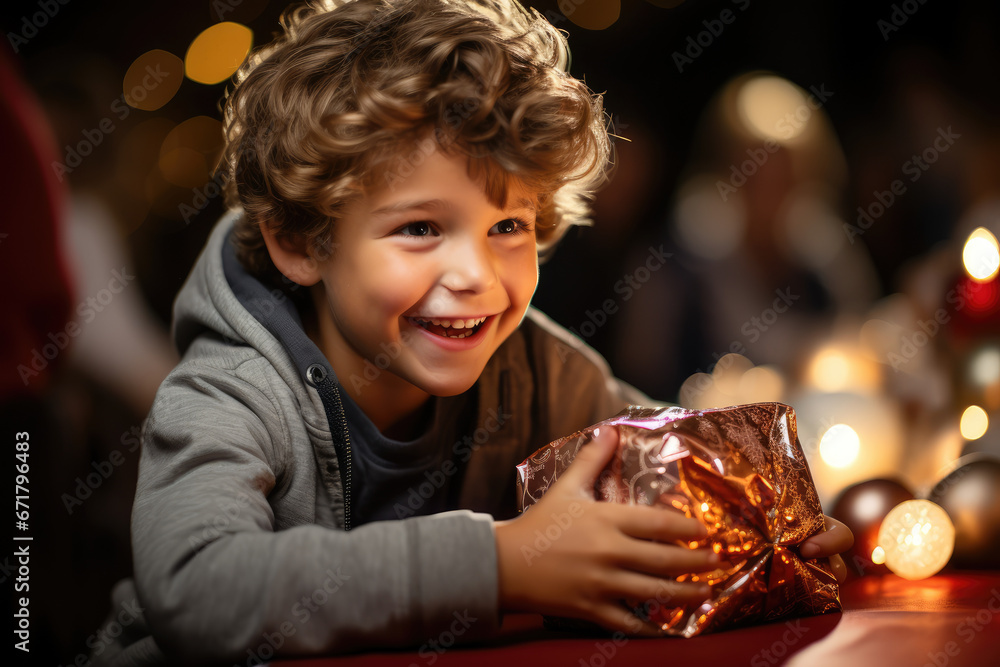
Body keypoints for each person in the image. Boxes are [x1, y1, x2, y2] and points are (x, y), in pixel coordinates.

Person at [97, 0, 853, 664]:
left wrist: (765, 526)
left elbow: (671, 460)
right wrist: (504, 563)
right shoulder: (230, 391)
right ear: (301, 241)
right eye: (421, 227)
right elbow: (194, 588)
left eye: (508, 225)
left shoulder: (539, 372)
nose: (478, 277)